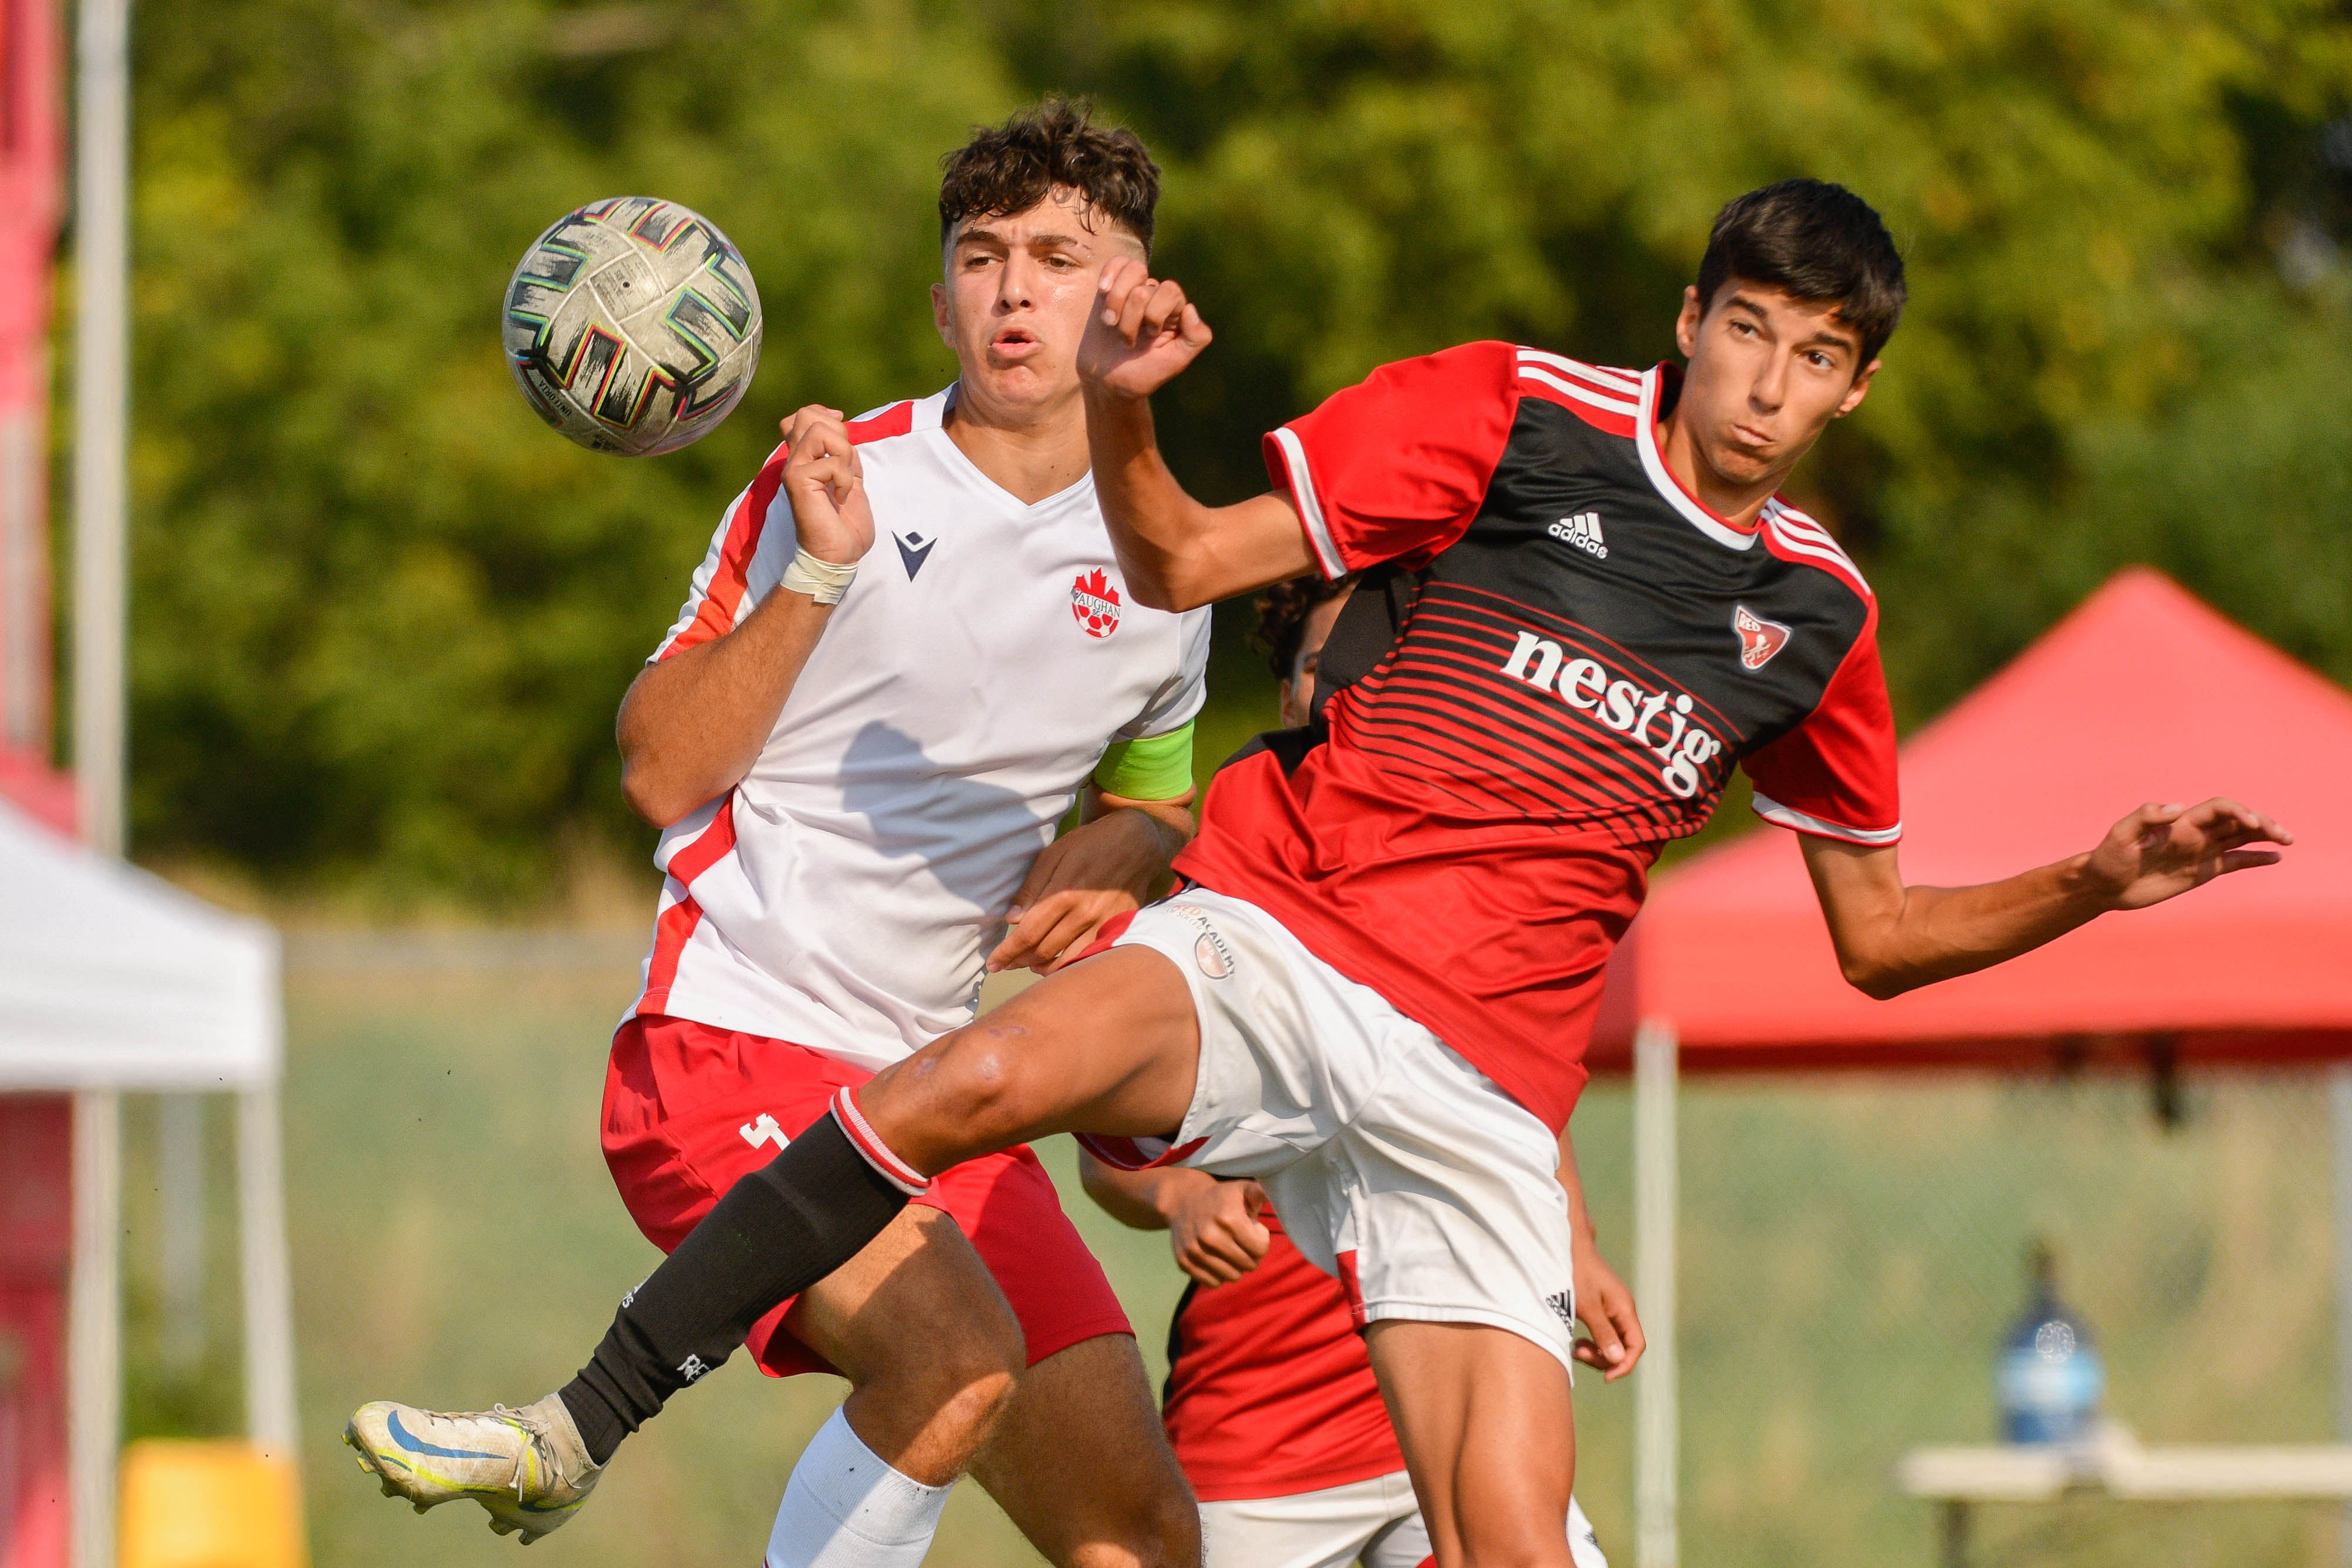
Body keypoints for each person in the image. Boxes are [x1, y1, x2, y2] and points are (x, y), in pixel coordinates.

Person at [358, 179, 2294, 1568]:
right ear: (1691, 318)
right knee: (971, 1086)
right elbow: (1197, 555)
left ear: (1854, 390)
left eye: (1819, 359)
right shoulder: (1517, 413)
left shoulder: (1820, 616)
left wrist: (2091, 878)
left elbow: (1877, 937)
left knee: (1508, 1535)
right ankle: (581, 1418)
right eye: (1750, 332)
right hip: (1284, 954)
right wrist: (1128, 396)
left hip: (1482, 1093)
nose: (1771, 383)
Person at [345, 101, 1210, 1568]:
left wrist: (1127, 849)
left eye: (1058, 260)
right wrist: (819, 569)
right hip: (730, 1042)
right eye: (982, 257)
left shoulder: (1163, 562)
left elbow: (1153, 797)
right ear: (937, 299)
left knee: (1140, 1535)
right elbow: (658, 767)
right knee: (954, 1364)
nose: (1013, 292)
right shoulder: (837, 478)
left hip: (937, 1090)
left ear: (1131, 296)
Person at [1073, 579, 1631, 1568]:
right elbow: (1102, 1149)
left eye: (1392, 665)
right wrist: (1183, 1197)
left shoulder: (1470, 870)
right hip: (1263, 1438)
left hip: (1448, 1393)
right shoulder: (1211, 882)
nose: (1357, 687)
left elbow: (1517, 1084)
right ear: (1286, 689)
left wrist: (1576, 1244)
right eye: (1329, 666)